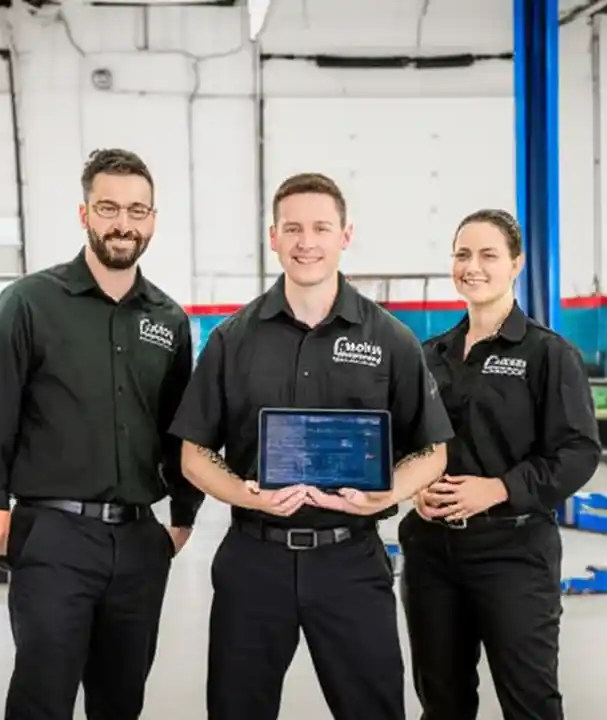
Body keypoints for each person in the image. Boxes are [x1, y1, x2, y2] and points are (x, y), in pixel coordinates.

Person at [169, 172, 453, 720]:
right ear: (272, 236)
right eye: (292, 228)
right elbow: (193, 453)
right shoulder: (233, 339)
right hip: (254, 559)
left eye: (321, 227)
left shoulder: (389, 339)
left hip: (351, 559)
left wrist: (384, 493)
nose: (307, 241)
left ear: (345, 235)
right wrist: (247, 496)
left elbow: (432, 451)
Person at [0, 148, 203, 720]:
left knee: (121, 702)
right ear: (84, 214)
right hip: (53, 535)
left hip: (141, 542)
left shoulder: (168, 319)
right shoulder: (29, 303)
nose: (124, 223)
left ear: (153, 219)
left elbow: (179, 428)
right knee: (42, 697)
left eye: (138, 211)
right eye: (109, 208)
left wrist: (183, 516)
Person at [397, 208, 601, 720]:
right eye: (463, 254)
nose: (473, 266)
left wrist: (498, 489)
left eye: (488, 254)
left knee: (529, 701)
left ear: (515, 264)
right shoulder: (428, 355)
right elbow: (405, 441)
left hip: (513, 551)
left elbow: (577, 453)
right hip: (430, 552)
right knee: (442, 702)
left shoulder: (548, 355)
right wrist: (414, 486)